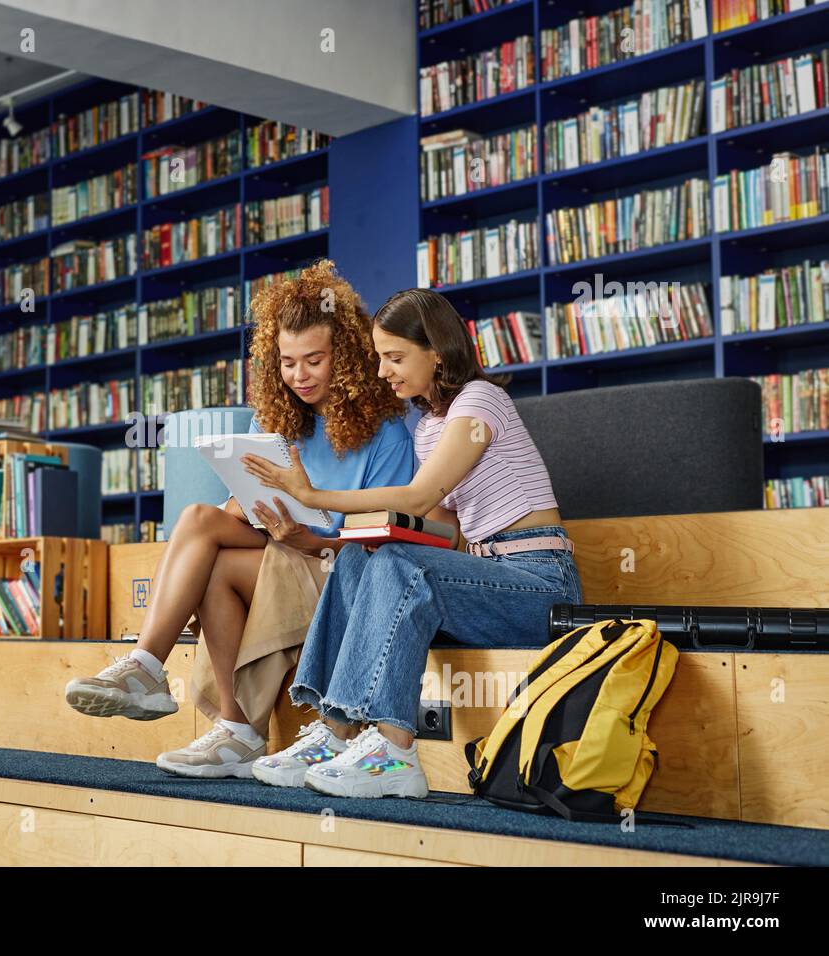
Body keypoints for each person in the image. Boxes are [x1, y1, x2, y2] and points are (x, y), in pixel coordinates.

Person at [63, 260, 415, 778]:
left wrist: (303, 537)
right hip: (280, 549)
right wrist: (250, 506)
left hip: (340, 571)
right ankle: (154, 672)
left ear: (346, 357)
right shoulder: (275, 420)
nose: (299, 376)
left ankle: (222, 720)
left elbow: (381, 551)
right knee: (201, 521)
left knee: (214, 560)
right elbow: (243, 509)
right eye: (288, 362)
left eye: (314, 360)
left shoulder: (387, 435)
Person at [241, 287, 583, 798]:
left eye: (395, 357)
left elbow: (421, 496)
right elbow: (442, 532)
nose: (383, 372)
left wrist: (311, 495)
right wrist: (372, 540)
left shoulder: (480, 401)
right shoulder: (429, 427)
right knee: (358, 560)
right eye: (381, 358)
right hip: (485, 576)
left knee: (401, 563)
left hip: (540, 584)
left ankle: (394, 750)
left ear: (437, 352)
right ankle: (334, 731)